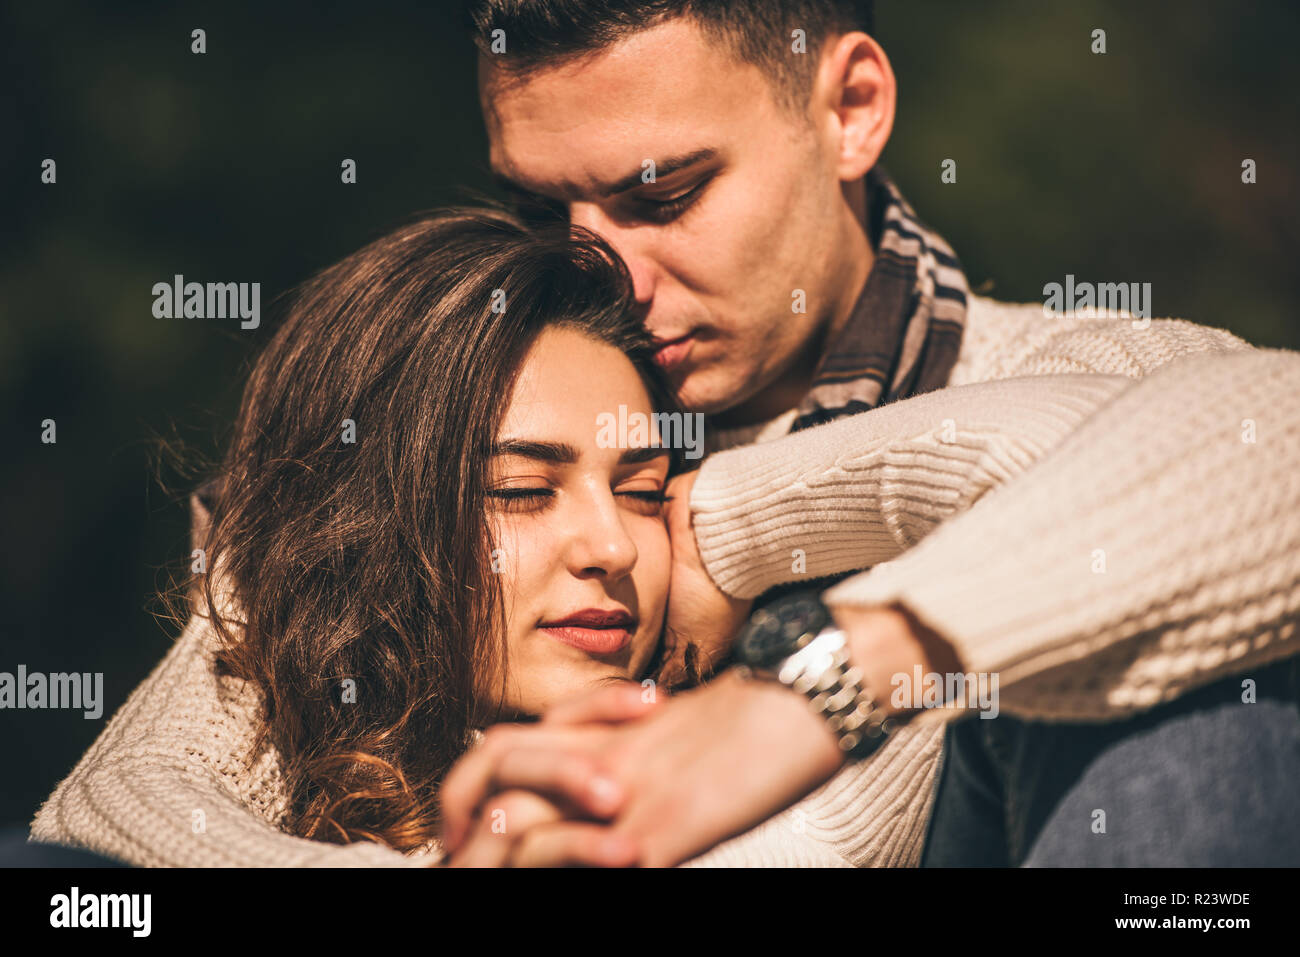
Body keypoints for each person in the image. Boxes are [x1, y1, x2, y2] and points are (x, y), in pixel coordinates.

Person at [434, 0, 1300, 866]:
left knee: (1163, 625)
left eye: (662, 197)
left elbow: (1272, 436)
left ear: (851, 109)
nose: (603, 276)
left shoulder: (1094, 363)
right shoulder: (450, 398)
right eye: (541, 212)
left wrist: (745, 556)